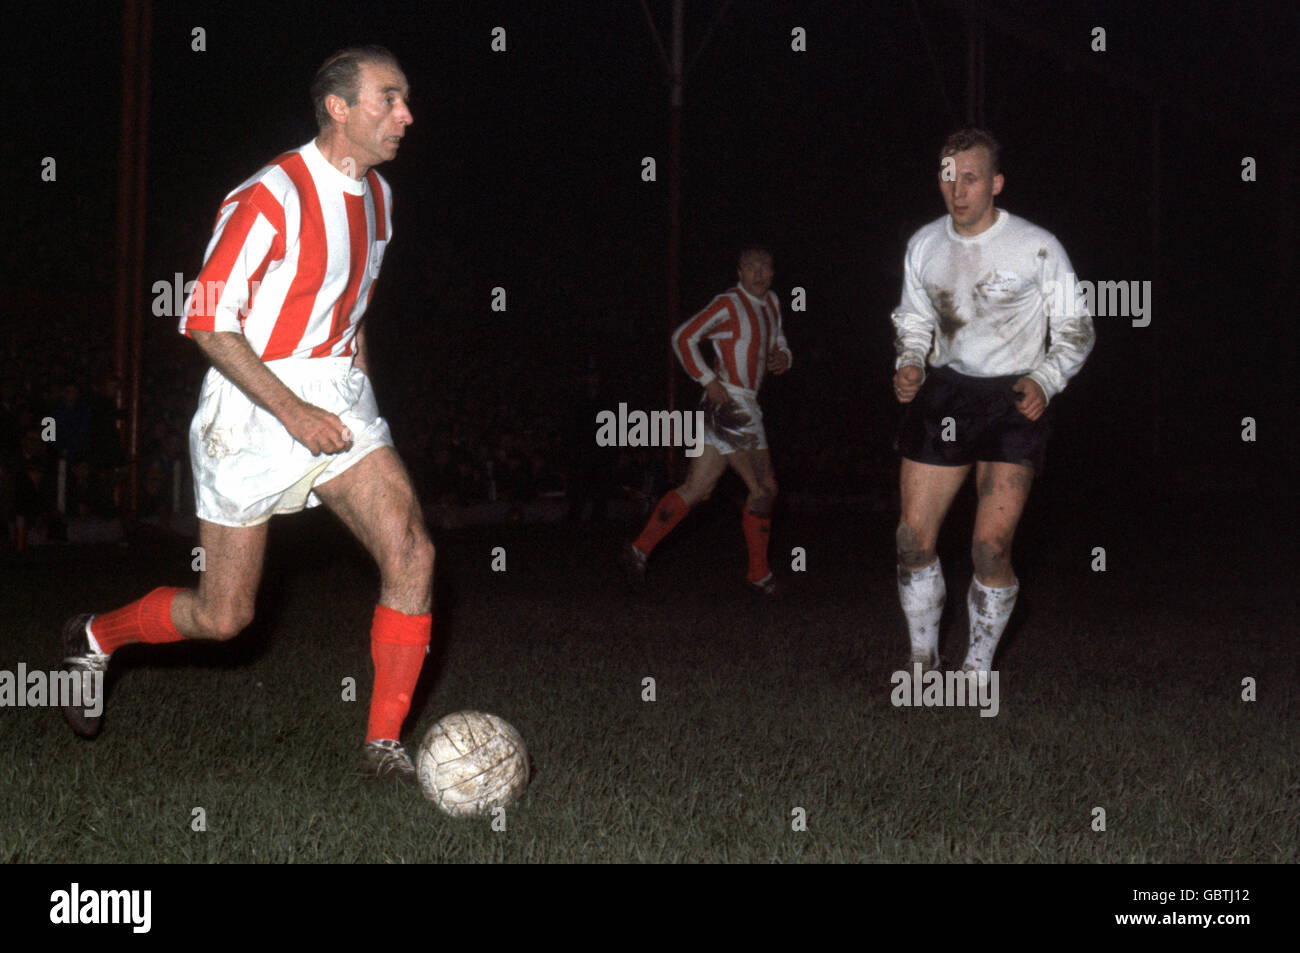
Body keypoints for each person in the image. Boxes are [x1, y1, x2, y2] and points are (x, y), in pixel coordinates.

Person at [59, 46, 434, 783]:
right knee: (225, 616)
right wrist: (293, 410)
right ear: (338, 107)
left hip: (337, 396)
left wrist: (354, 360)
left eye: (406, 99)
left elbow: (352, 300)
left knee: (413, 551)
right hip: (255, 407)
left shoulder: (382, 198)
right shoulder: (272, 195)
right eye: (389, 98)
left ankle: (382, 745)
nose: (406, 115)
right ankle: (96, 634)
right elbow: (205, 320)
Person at [891, 128, 1094, 676]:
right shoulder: (924, 244)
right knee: (911, 539)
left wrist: (1047, 378)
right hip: (947, 393)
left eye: (971, 177)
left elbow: (1076, 326)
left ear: (996, 184)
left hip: (1013, 401)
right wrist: (909, 360)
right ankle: (922, 661)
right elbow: (914, 317)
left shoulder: (1037, 245)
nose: (958, 189)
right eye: (948, 176)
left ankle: (976, 671)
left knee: (989, 548)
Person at [621, 245, 792, 594]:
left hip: (732, 405)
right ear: (739, 272)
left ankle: (638, 550)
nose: (760, 273)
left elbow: (778, 341)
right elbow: (682, 337)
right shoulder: (729, 303)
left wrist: (784, 357)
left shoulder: (772, 303)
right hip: (730, 403)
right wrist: (708, 380)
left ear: (773, 273)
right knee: (764, 488)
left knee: (698, 489)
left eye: (766, 267)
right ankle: (759, 574)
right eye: (751, 267)